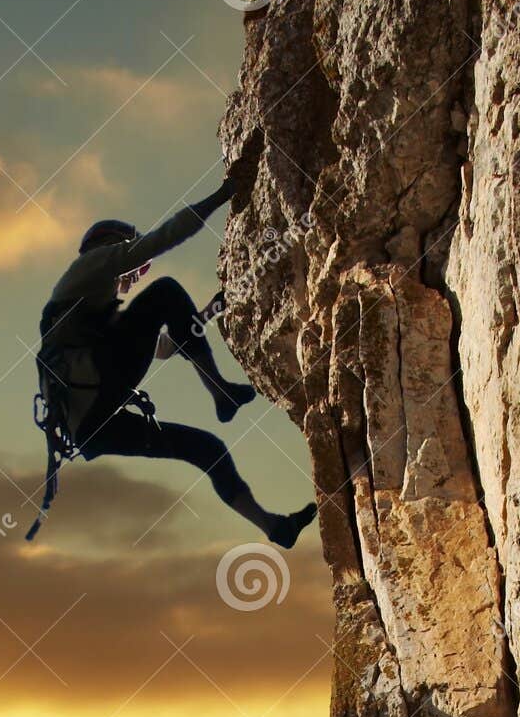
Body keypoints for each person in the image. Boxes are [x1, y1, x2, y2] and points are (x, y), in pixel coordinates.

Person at [38, 178, 318, 548]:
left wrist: (211, 311)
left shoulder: (90, 311)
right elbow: (164, 238)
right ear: (113, 246)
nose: (135, 276)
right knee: (165, 291)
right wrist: (221, 195)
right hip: (100, 393)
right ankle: (219, 391)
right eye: (133, 264)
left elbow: (166, 347)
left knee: (206, 448)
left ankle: (273, 527)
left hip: (93, 426)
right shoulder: (94, 264)